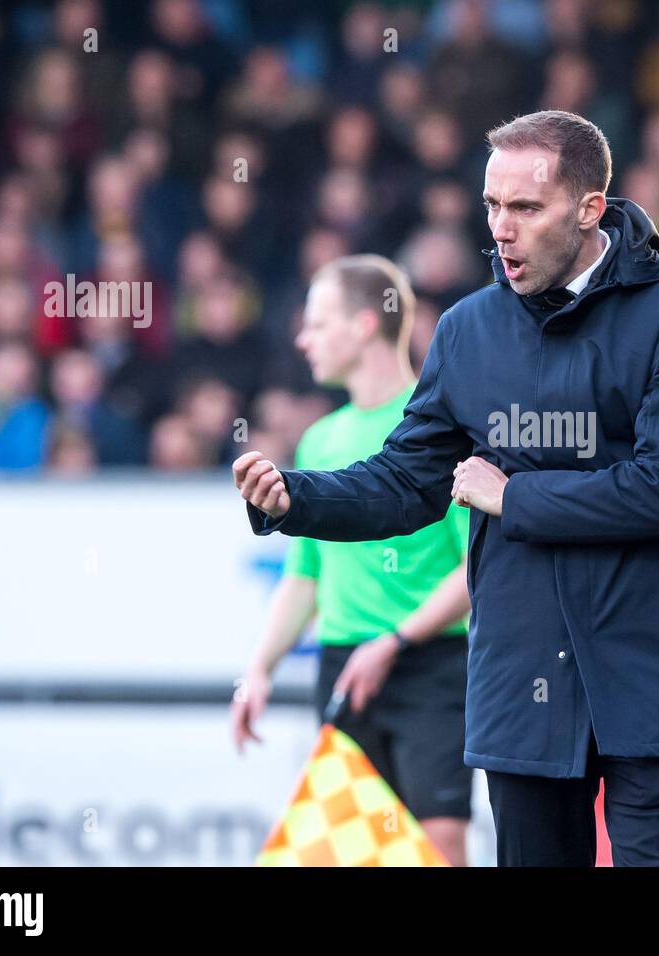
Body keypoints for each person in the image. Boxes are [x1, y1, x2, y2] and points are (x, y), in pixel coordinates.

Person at [234, 110, 659, 867]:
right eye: (492, 206)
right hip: (522, 685)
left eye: (526, 208)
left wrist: (515, 498)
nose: (501, 228)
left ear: (588, 209)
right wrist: (296, 497)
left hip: (653, 678)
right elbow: (405, 481)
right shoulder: (468, 330)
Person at [229, 254, 473, 866]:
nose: (302, 338)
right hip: (343, 664)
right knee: (357, 853)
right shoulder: (321, 438)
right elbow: (305, 576)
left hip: (432, 664)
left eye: (317, 322)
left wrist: (395, 641)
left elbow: (478, 567)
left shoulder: (442, 426)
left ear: (365, 325)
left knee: (437, 845)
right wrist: (259, 667)